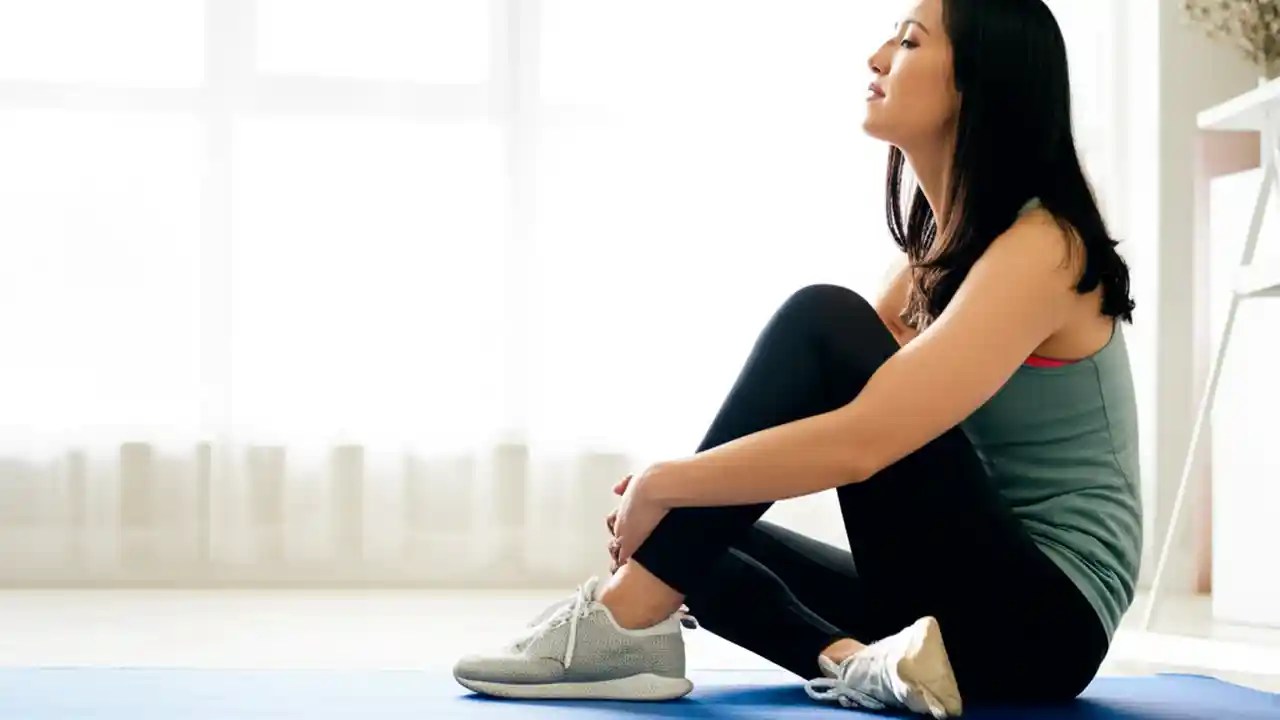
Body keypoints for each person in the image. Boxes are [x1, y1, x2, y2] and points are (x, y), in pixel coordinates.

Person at [454, 0, 1140, 715]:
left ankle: (622, 621)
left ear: (979, 81)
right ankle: (853, 664)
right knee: (689, 534)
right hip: (943, 625)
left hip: (1043, 626)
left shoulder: (1045, 249)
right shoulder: (925, 272)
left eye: (907, 42)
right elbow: (824, 412)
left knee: (818, 320)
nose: (877, 60)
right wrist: (678, 497)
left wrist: (667, 479)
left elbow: (862, 442)